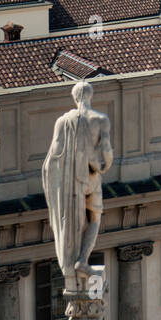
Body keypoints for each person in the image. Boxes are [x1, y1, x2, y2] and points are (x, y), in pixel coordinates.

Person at [41, 80, 113, 290]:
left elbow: (54, 156)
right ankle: (82, 259)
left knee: (75, 221)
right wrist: (102, 167)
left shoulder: (62, 122)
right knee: (95, 218)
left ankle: (76, 261)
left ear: (74, 98)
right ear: (90, 96)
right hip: (91, 177)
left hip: (70, 182)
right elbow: (106, 150)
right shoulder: (100, 119)